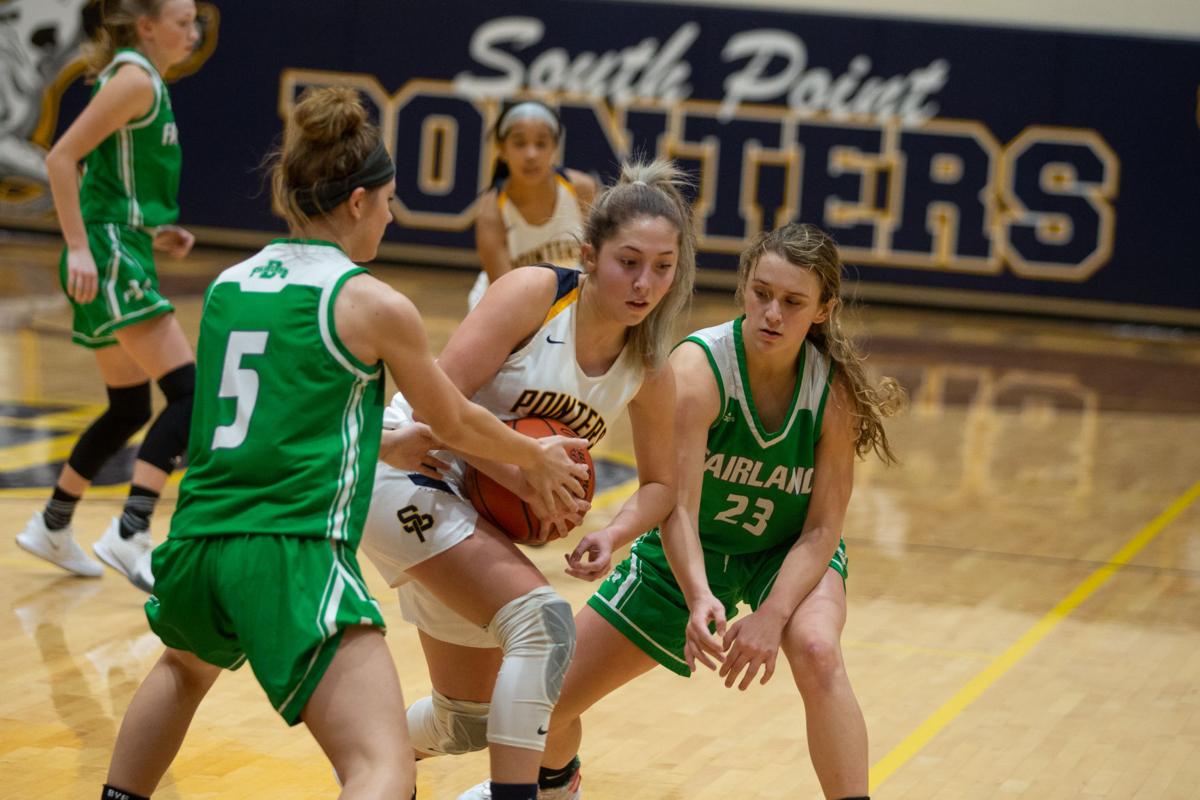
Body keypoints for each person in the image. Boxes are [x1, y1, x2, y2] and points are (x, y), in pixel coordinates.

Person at [99, 85, 589, 800]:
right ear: (357, 202)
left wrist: (377, 447)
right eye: (388, 202)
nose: (390, 217)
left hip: (200, 538)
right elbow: (452, 419)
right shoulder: (371, 302)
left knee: (180, 671)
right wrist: (530, 456)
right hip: (290, 549)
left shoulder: (230, 284)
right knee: (381, 767)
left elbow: (260, 421)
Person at [475, 222, 907, 800]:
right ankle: (559, 783)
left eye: (792, 302)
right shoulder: (699, 369)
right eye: (761, 293)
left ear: (824, 310)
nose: (772, 313)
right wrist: (699, 592)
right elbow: (675, 506)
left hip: (786, 552)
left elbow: (825, 527)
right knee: (546, 705)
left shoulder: (831, 393)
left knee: (818, 650)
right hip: (687, 550)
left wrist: (773, 617)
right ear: (744, 289)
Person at [360, 159, 696, 800]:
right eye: (629, 261)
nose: (644, 282)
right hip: (405, 467)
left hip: (466, 514)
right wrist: (521, 467)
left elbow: (660, 486)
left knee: (468, 721)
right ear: (588, 255)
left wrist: (613, 533)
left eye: (663, 266)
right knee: (544, 626)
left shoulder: (650, 364)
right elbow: (436, 402)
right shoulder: (535, 294)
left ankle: (371, 771)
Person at [16, 0, 202, 592]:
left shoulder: (142, 79)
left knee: (129, 407)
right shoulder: (132, 79)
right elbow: (61, 157)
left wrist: (153, 227)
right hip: (107, 251)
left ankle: (52, 523)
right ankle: (131, 529)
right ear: (146, 26)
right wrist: (77, 246)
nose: (193, 32)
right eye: (182, 21)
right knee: (189, 395)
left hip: (122, 243)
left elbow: (109, 175)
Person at [468, 99, 596, 309]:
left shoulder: (582, 189)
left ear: (554, 146)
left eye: (541, 143)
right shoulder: (491, 212)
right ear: (502, 149)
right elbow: (505, 297)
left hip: (571, 302)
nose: (531, 154)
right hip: (510, 305)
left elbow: (599, 264)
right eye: (519, 143)